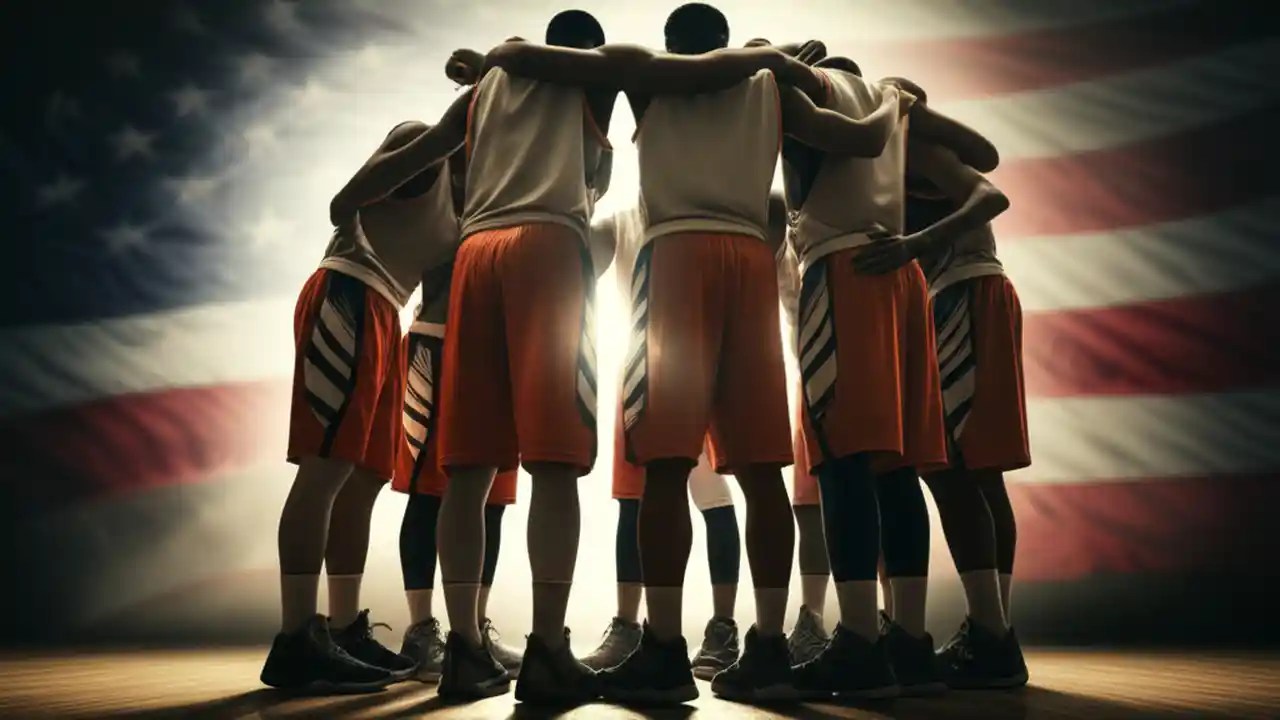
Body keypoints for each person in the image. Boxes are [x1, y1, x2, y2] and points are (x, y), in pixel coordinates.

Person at [334, 8, 811, 705]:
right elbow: (621, 146)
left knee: (466, 470)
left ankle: (463, 649)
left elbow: (381, 177)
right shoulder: (602, 77)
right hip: (548, 244)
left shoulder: (484, 92)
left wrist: (494, 60)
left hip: (476, 253)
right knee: (555, 463)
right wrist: (777, 57)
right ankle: (550, 650)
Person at [477, 4, 910, 704]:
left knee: (664, 467)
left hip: (676, 255)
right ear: (725, 41)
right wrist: (889, 99)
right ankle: (768, 648)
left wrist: (496, 55)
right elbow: (862, 139)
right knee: (763, 472)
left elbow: (543, 61)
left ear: (672, 43)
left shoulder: (648, 73)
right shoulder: (772, 85)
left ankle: (663, 650)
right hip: (747, 257)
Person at [259, 121, 464, 694]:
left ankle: (344, 628)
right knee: (324, 471)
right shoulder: (428, 143)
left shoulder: (473, 198)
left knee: (366, 476)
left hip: (387, 311)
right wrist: (450, 130)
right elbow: (341, 204)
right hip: (349, 290)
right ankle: (295, 639)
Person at [775, 41, 951, 698]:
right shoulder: (891, 117)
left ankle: (857, 644)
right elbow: (980, 154)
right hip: (901, 280)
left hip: (843, 271)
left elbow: (855, 128)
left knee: (841, 460)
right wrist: (899, 99)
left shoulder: (823, 110)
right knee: (894, 467)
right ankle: (909, 641)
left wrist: (885, 101)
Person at [853, 78, 1029, 689]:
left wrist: (914, 245)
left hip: (966, 292)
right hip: (962, 295)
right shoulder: (892, 164)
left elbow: (991, 195)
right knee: (980, 472)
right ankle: (992, 629)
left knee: (951, 468)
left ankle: (993, 636)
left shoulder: (922, 149)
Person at [390, 146, 523, 684]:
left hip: (498, 350)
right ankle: (422, 630)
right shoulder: (442, 184)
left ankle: (473, 628)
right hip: (437, 340)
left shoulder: (518, 179)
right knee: (429, 490)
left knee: (493, 496)